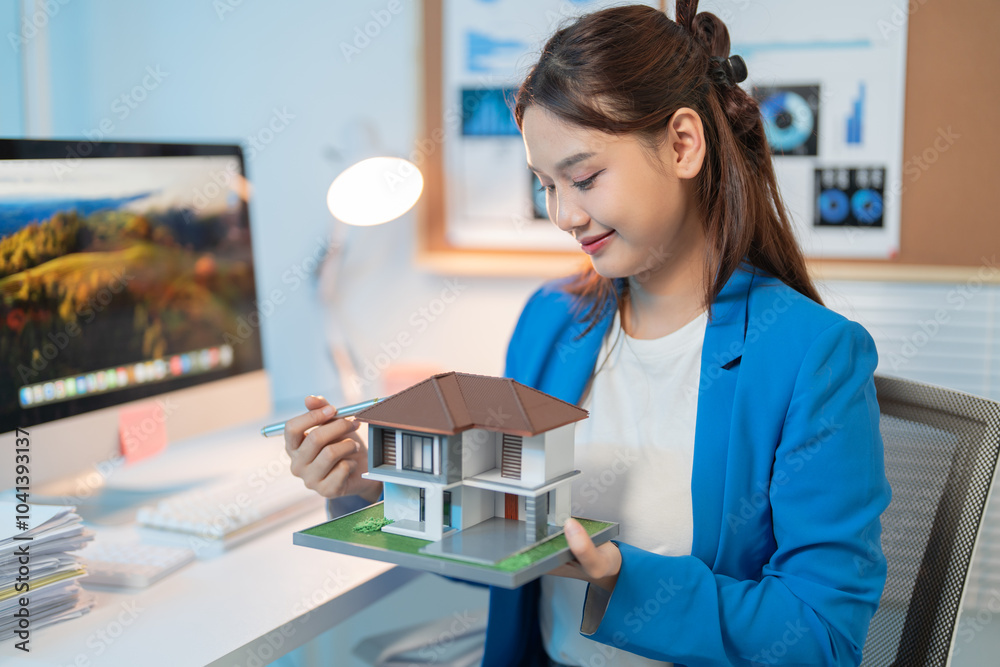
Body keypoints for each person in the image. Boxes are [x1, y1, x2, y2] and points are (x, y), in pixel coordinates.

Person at [284, 2, 892, 665]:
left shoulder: (812, 356)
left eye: (584, 177)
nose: (564, 215)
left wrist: (617, 578)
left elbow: (822, 637)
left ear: (684, 143)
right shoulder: (553, 321)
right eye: (546, 185)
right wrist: (372, 486)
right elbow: (495, 538)